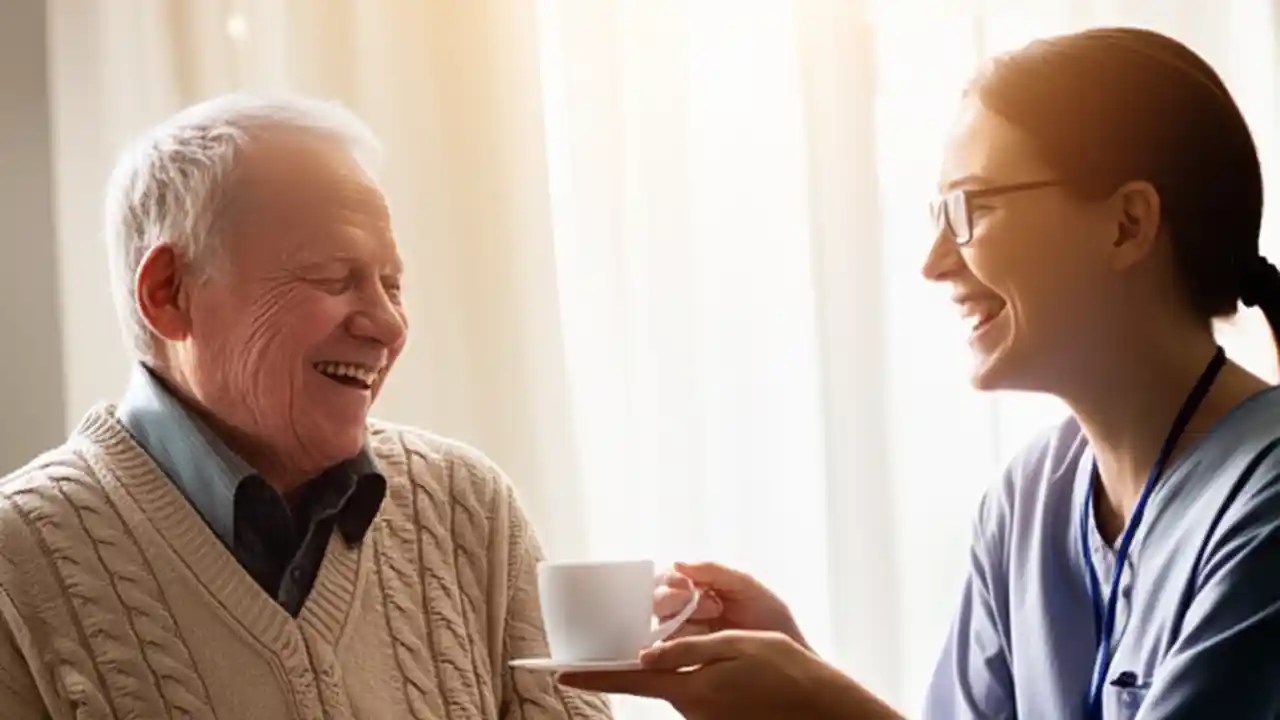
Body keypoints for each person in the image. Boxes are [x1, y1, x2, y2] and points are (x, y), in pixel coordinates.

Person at [562, 27, 1280, 719]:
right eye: (939, 214)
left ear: (1127, 224)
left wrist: (822, 706)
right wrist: (794, 676)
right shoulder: (1028, 502)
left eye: (972, 208)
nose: (935, 261)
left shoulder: (1264, 502)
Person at [0, 95, 611, 719]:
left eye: (392, 285)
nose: (387, 323)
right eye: (332, 277)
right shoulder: (15, 562)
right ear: (169, 294)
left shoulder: (468, 510)